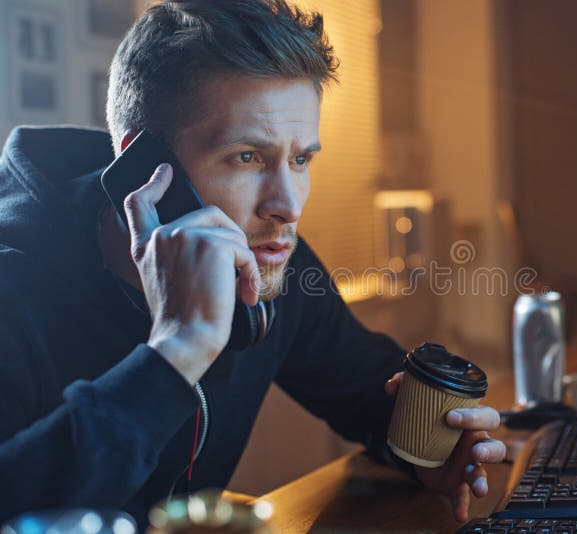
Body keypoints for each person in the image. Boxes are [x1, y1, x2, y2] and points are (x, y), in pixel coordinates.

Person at [0, 0, 505, 527]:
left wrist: (432, 448)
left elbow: (364, 387)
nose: (288, 205)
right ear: (143, 168)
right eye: (247, 157)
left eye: (300, 159)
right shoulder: (14, 284)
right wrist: (175, 352)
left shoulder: (267, 257)